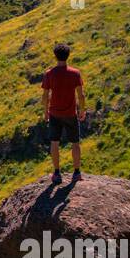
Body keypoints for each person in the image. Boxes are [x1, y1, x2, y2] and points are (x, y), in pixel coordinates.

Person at [41, 43, 85, 183]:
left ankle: (56, 173)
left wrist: (45, 112)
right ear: (68, 55)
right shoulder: (75, 73)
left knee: (54, 142)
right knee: (75, 143)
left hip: (54, 113)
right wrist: (82, 110)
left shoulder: (49, 74)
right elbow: (81, 95)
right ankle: (77, 172)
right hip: (71, 113)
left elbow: (45, 95)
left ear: (55, 56)